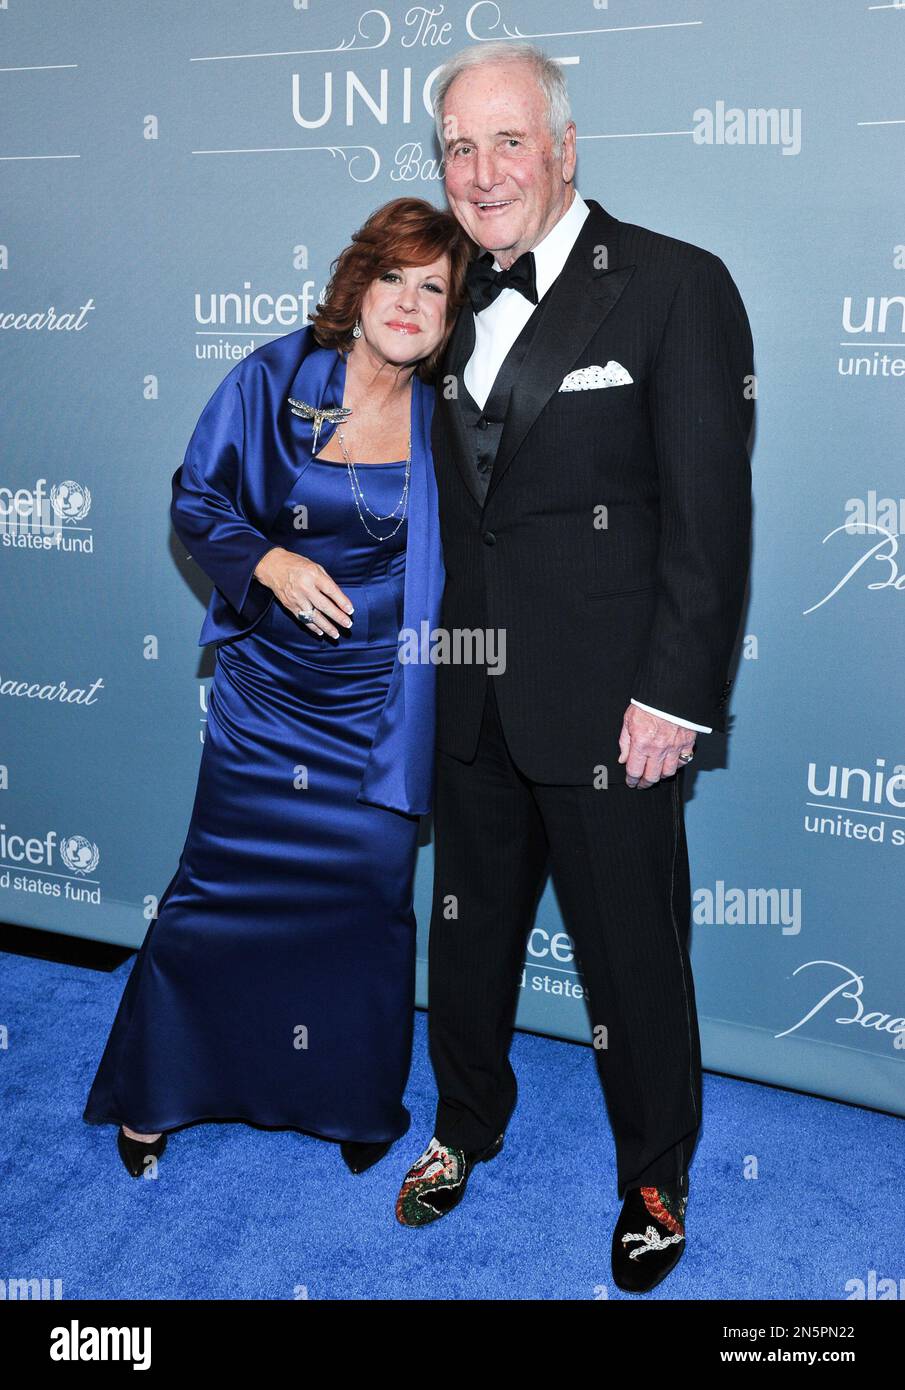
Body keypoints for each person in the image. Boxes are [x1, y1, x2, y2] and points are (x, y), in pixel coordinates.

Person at [393, 44, 754, 1295]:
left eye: (504, 141)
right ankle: (464, 1122)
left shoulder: (671, 285)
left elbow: (709, 518)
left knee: (631, 956)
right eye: (455, 147)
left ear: (562, 146)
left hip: (615, 705)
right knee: (469, 932)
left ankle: (655, 1171)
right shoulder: (436, 299)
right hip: (470, 684)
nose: (480, 172)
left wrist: (673, 696)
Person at [83, 197, 473, 1179]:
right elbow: (196, 495)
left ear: (449, 314)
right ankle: (157, 1092)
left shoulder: (448, 418)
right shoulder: (277, 374)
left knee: (365, 904)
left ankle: (343, 1096)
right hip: (271, 699)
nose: (408, 300)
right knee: (217, 894)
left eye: (433, 287)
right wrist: (267, 561)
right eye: (394, 276)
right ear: (360, 282)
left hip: (382, 705)